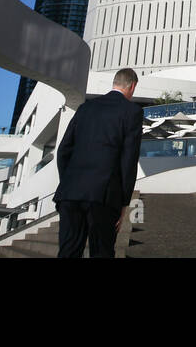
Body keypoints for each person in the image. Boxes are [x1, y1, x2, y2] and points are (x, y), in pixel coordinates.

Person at [53, 67, 144, 258]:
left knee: (68, 252)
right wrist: (124, 203)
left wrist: (69, 182)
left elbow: (63, 151)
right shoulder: (132, 111)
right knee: (101, 252)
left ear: (115, 83)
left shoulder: (85, 108)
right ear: (132, 86)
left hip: (70, 192)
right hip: (103, 195)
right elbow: (129, 160)